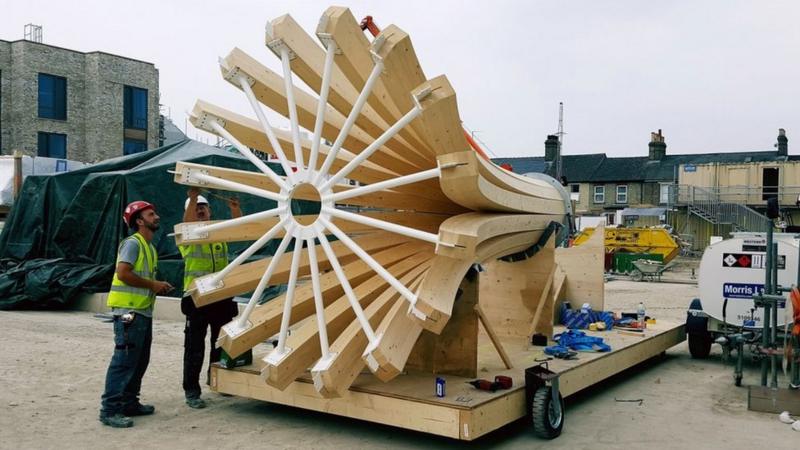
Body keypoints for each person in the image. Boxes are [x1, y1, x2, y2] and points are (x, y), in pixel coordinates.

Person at [100, 201, 174, 428]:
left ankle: (129, 402)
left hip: (141, 311)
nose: (156, 217)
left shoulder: (148, 247)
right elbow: (123, 273)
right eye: (151, 214)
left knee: (139, 360)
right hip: (129, 312)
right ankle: (110, 410)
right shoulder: (133, 244)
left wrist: (156, 286)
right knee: (123, 361)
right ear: (139, 221)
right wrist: (153, 285)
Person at [180, 188, 241, 409]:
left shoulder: (218, 234)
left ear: (210, 211)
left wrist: (235, 210)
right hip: (197, 298)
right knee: (194, 346)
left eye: (203, 207)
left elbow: (239, 229)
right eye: (196, 208)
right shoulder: (186, 236)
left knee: (220, 343)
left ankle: (216, 380)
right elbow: (187, 225)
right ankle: (192, 391)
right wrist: (193, 198)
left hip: (220, 296)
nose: (200, 211)